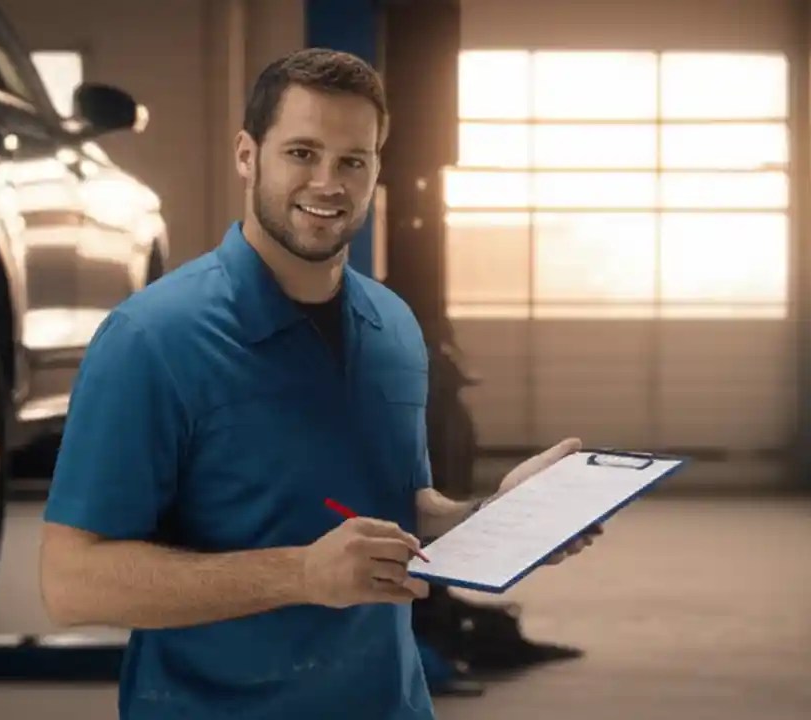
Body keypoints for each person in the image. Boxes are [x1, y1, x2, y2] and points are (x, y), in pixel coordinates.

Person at [39, 47, 601, 720]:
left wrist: (501, 519)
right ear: (248, 156)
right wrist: (302, 575)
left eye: (352, 161)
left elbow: (393, 506)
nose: (328, 182)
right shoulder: (153, 339)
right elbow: (71, 581)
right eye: (301, 153)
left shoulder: (391, 324)